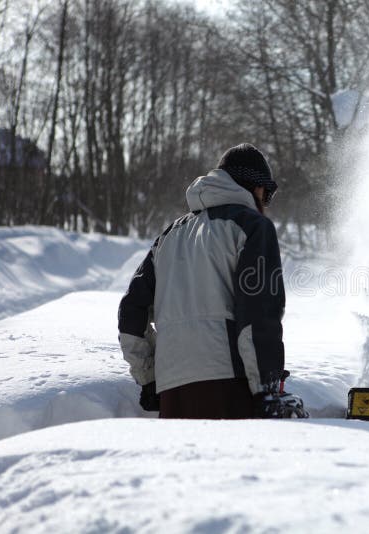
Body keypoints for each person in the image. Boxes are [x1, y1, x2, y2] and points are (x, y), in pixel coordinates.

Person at [118, 143, 285, 419]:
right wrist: (266, 387)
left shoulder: (168, 237)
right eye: (267, 195)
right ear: (254, 188)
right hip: (230, 386)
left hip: (172, 393)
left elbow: (130, 314)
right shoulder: (253, 227)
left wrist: (149, 379)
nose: (265, 205)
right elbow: (258, 313)